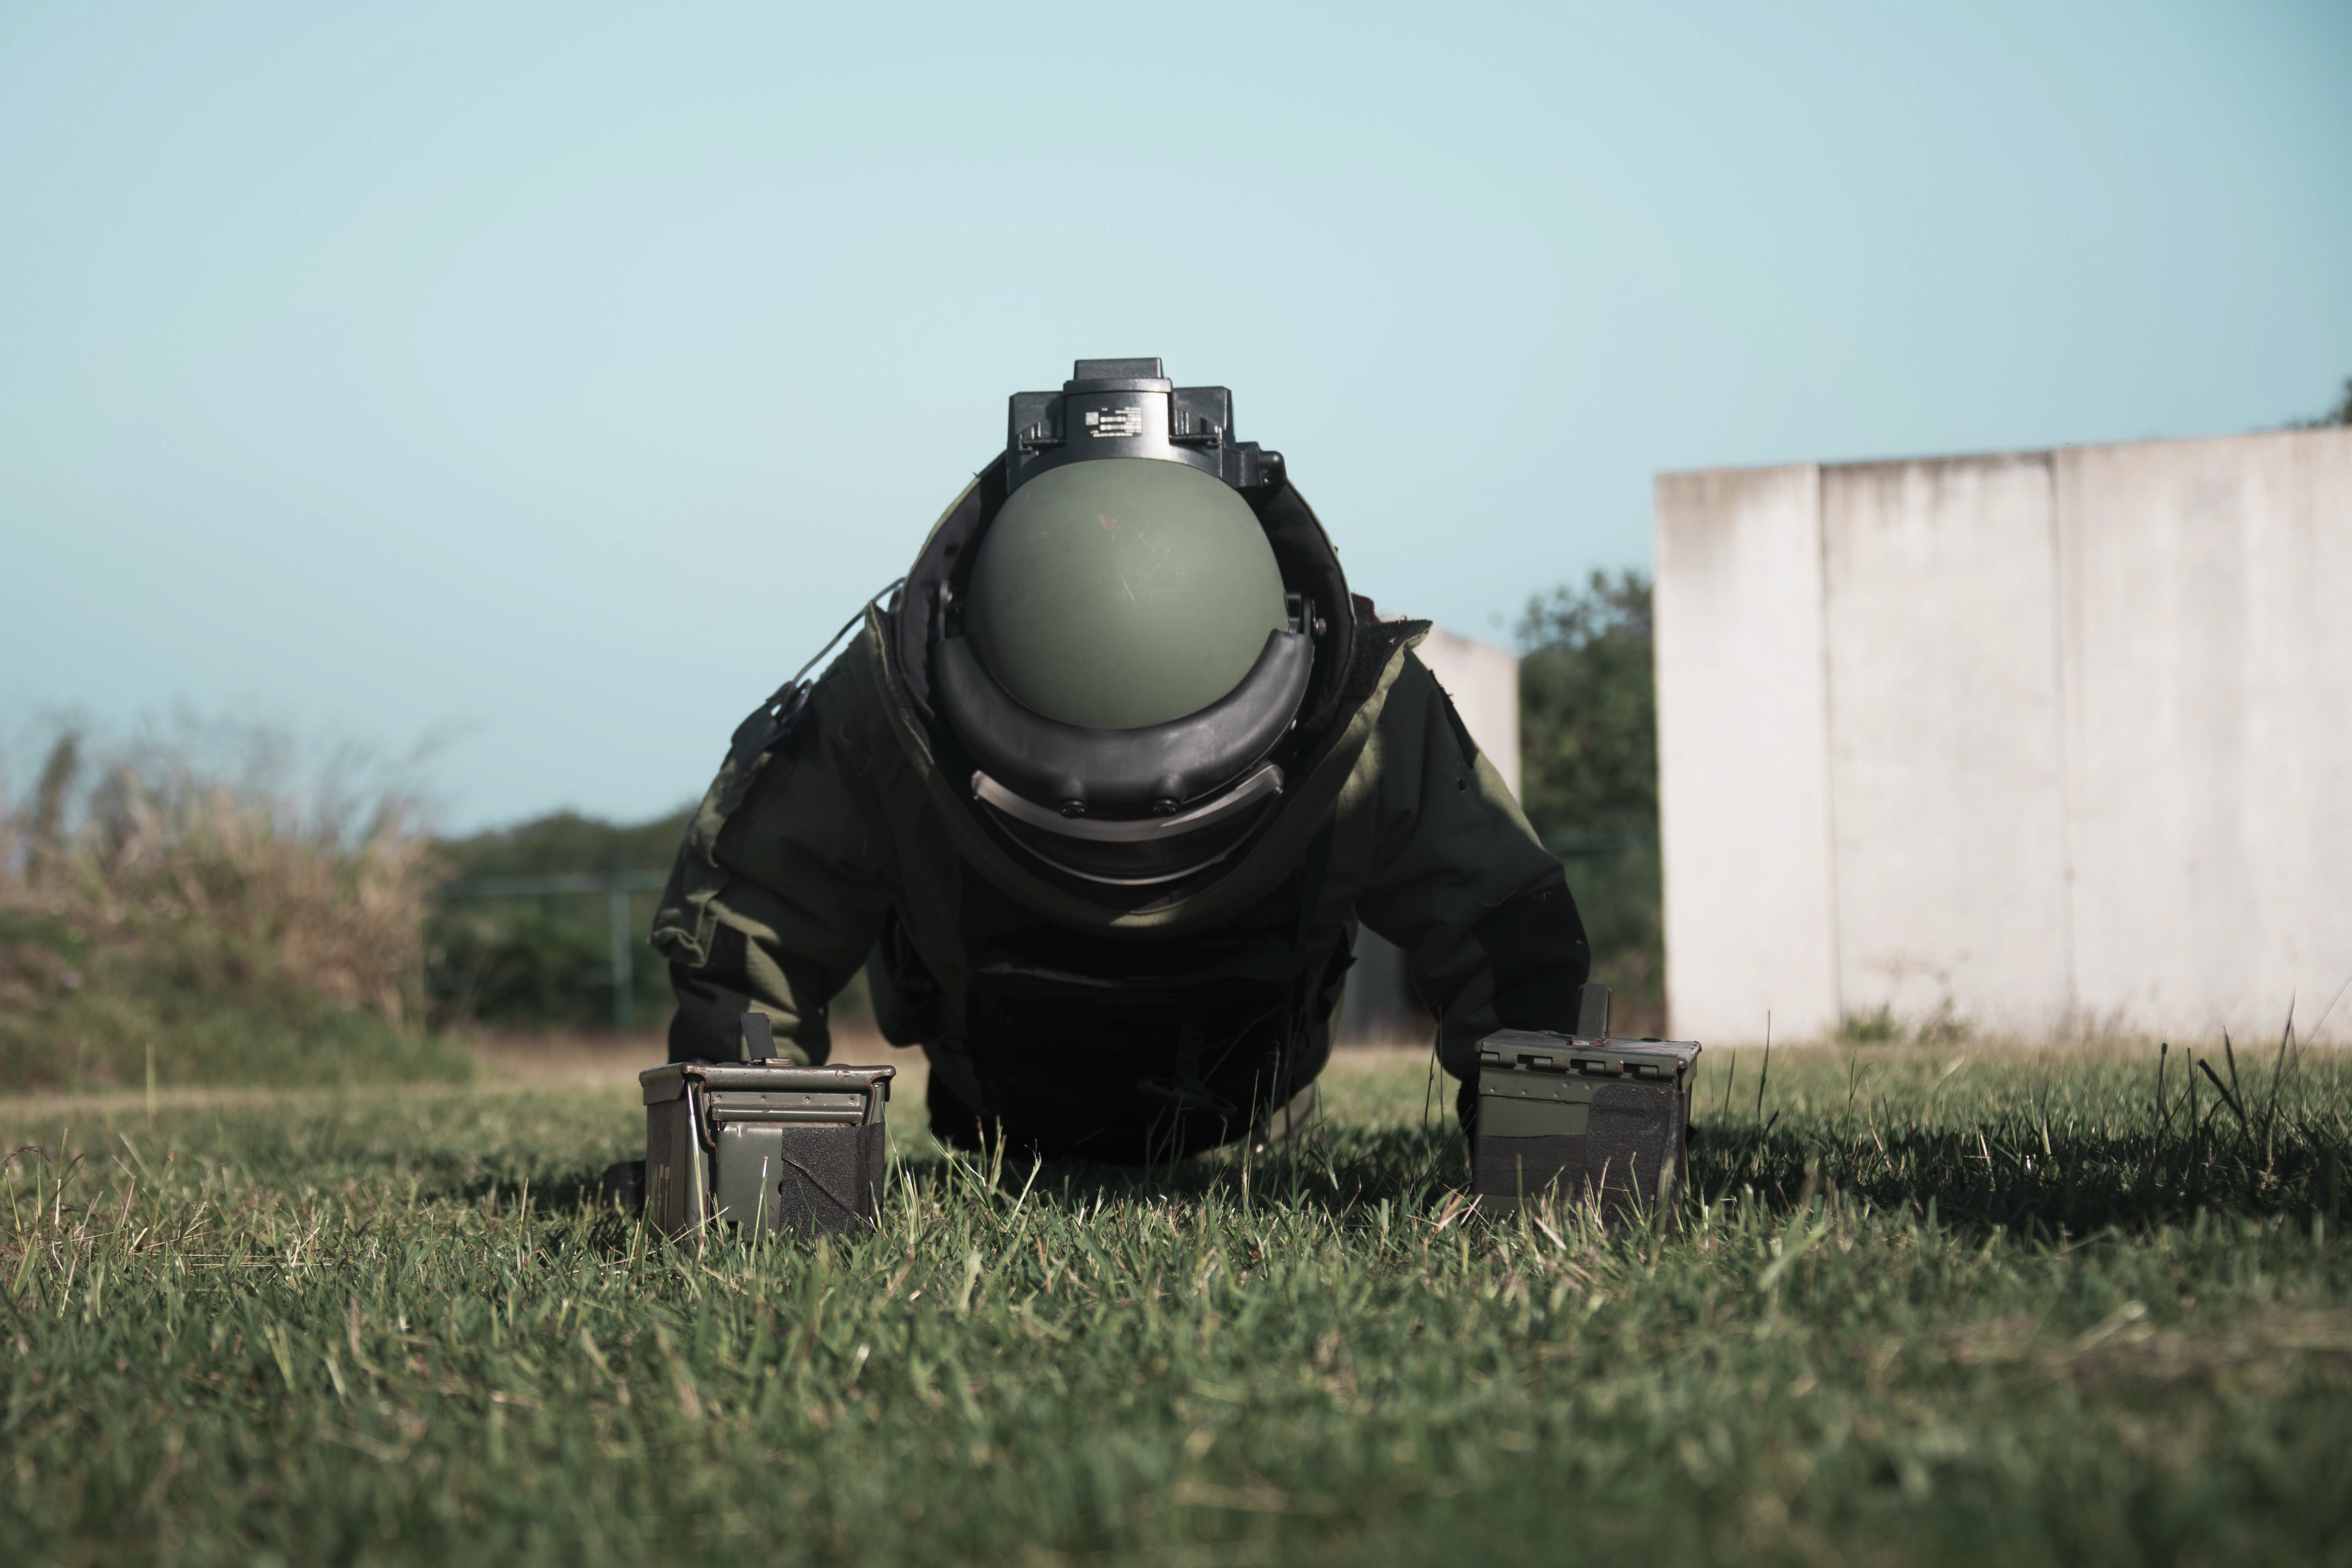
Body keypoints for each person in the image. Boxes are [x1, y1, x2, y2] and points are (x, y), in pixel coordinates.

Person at [649, 358, 1589, 1161]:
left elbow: (753, 920)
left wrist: (745, 1140)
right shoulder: (1369, 717)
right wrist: (1558, 1146)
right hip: (1094, 1105)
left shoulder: (1363, 716)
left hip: (1027, 1103)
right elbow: (1503, 922)